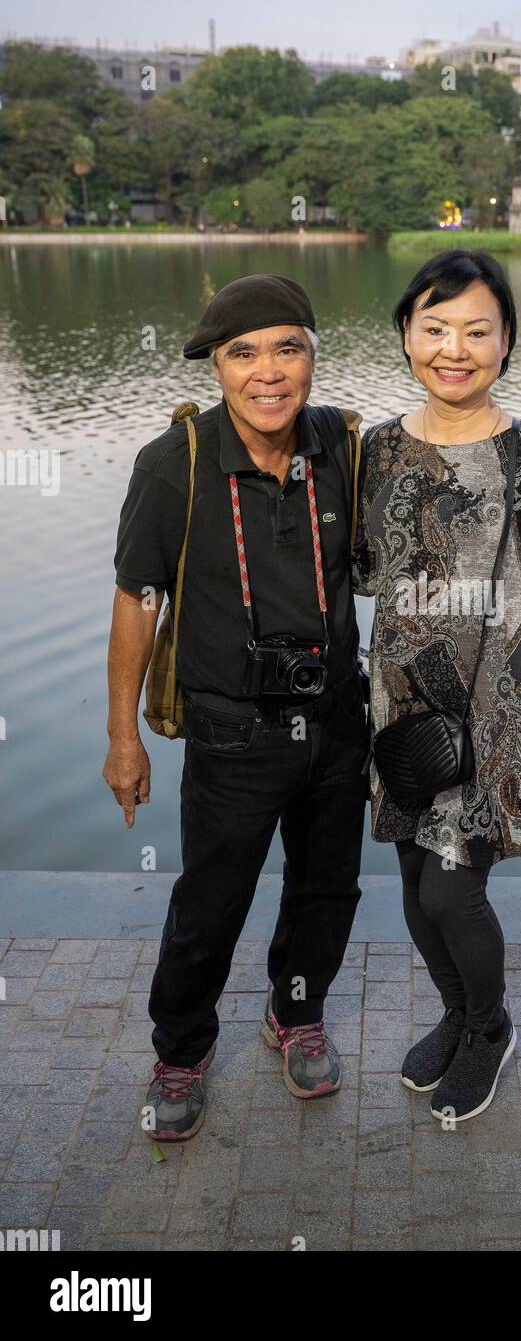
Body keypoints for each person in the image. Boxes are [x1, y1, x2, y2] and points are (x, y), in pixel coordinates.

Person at [103, 274, 369, 1140]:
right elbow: (136, 602)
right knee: (210, 901)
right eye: (244, 353)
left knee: (326, 888)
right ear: (216, 366)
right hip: (230, 730)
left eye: (288, 348)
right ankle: (181, 1048)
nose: (269, 371)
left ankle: (296, 1014)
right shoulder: (172, 464)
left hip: (335, 722)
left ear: (313, 359)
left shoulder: (344, 447)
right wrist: (122, 740)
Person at [354, 249, 521, 1123]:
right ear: (407, 337)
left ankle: (489, 1027)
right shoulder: (374, 447)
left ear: (506, 343)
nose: (455, 347)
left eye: (477, 330)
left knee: (455, 885)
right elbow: (361, 568)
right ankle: (456, 1013)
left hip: (500, 704)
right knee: (413, 877)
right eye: (435, 327)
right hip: (402, 700)